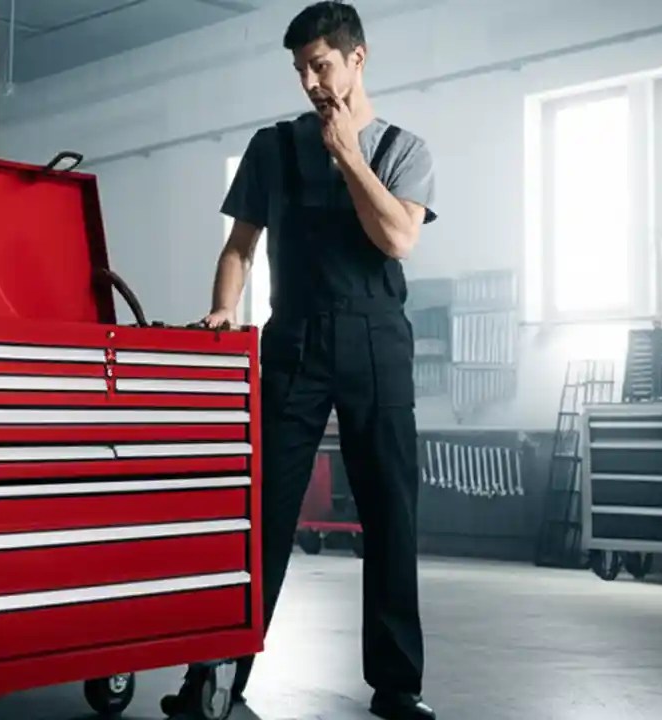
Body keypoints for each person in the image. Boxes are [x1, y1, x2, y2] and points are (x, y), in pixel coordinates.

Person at [161, 2, 438, 719]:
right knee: (261, 514)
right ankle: (215, 679)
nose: (311, 83)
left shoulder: (404, 149)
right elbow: (239, 248)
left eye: (321, 65)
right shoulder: (272, 148)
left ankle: (397, 685)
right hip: (294, 342)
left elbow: (398, 239)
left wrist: (348, 152)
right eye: (300, 70)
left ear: (357, 58)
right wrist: (225, 307)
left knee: (391, 513)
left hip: (378, 342)